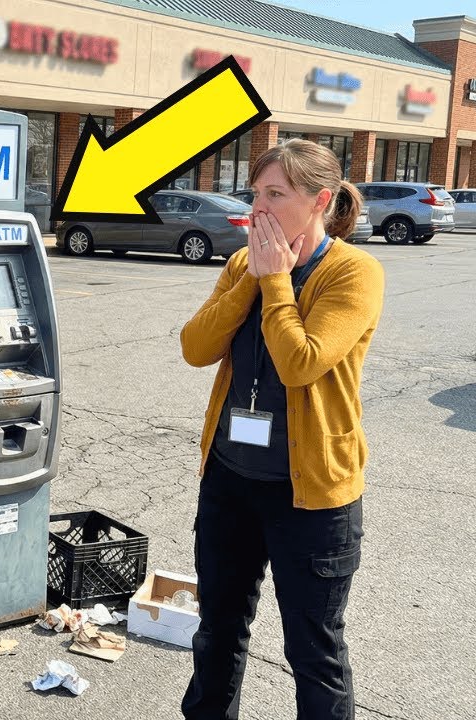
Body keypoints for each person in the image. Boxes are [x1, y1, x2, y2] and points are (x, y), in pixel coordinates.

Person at [179, 139, 385, 720]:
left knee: (313, 649)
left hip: (312, 495)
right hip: (230, 480)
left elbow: (301, 362)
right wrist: (254, 277)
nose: (258, 209)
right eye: (254, 194)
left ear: (320, 200)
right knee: (218, 629)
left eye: (275, 195)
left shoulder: (354, 272)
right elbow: (196, 348)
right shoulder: (245, 263)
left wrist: (275, 282)